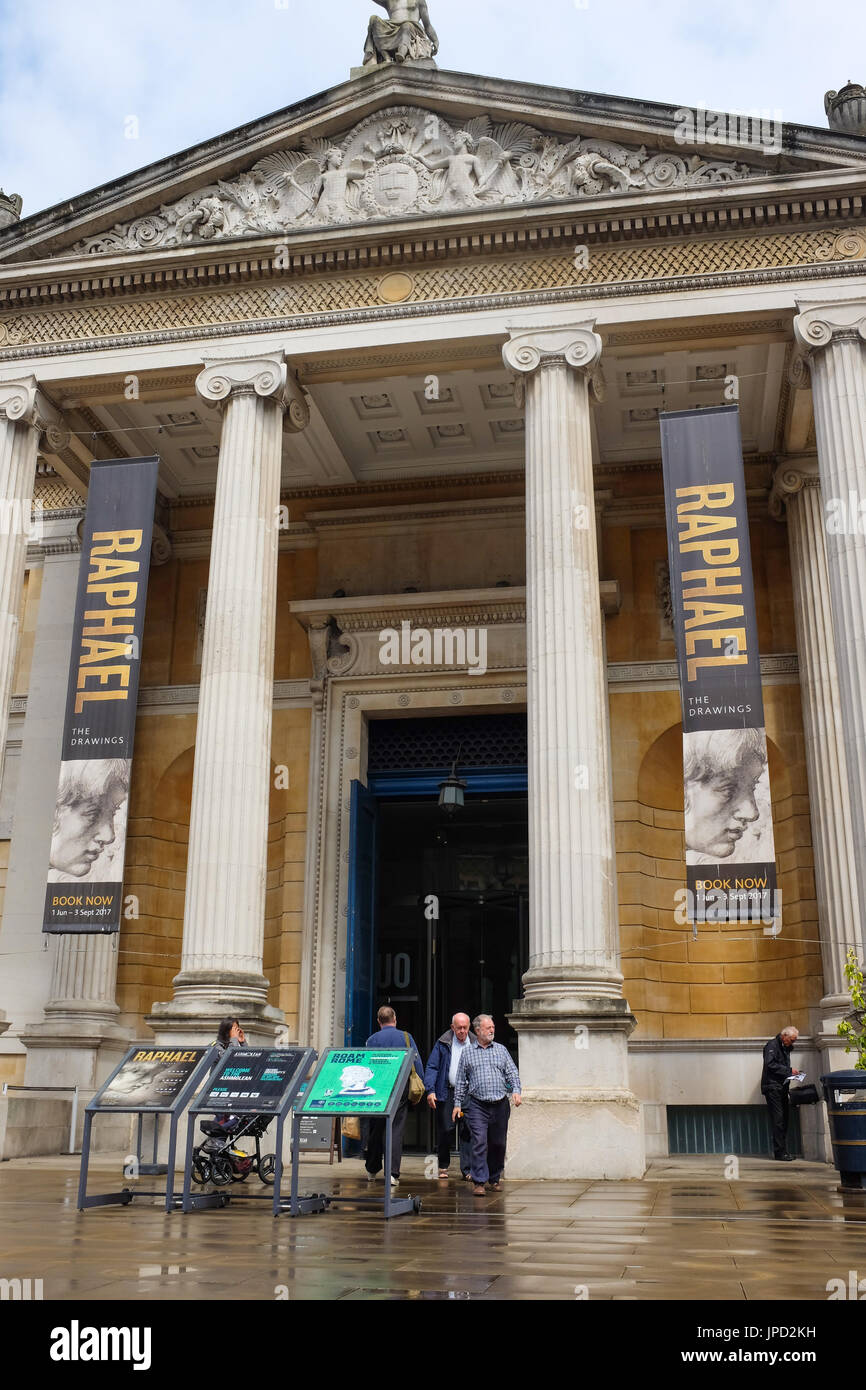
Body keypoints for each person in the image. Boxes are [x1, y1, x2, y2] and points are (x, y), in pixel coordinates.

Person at [453, 1014, 521, 1196]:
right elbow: (460, 1080)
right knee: (479, 1141)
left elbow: (512, 1072)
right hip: (477, 1105)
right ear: (478, 1031)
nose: (492, 1030)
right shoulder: (468, 1052)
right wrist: (457, 1104)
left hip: (500, 1104)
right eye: (488, 1027)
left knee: (498, 1143)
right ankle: (479, 1182)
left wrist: (516, 1091)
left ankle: (494, 1178)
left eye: (493, 1027)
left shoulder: (501, 1050)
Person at [364, 1005, 424, 1186]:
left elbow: (366, 1065)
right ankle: (392, 1173)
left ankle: (372, 1170)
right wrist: (420, 1084)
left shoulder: (371, 1039)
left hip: (377, 1088)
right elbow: (416, 1062)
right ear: (395, 1019)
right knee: (395, 1129)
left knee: (376, 1128)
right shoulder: (406, 1037)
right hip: (400, 1087)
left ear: (378, 1021)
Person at [424, 1012, 474, 1180]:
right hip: (447, 1092)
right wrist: (430, 1090)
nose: (462, 1031)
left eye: (465, 1028)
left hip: (468, 1093)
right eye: (458, 1028)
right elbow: (432, 1066)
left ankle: (467, 1170)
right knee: (446, 1129)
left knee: (468, 1130)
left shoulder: (475, 1043)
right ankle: (443, 1166)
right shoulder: (443, 1042)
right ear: (452, 1027)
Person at [761, 1026, 800, 1160]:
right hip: (772, 1088)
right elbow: (770, 1064)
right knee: (778, 1120)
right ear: (784, 1036)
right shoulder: (772, 1045)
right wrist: (789, 1070)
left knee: (784, 1119)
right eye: (792, 1040)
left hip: (781, 1087)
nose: (792, 1043)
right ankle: (780, 1152)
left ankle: (783, 1151)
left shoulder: (784, 1046)